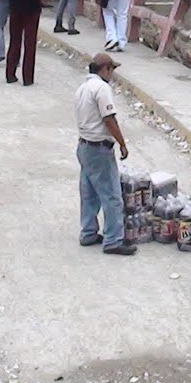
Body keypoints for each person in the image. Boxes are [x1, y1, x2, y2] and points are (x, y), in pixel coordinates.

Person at [74, 52, 135, 256]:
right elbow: (109, 119)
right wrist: (122, 143)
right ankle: (113, 239)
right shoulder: (102, 88)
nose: (112, 74)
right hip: (99, 148)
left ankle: (88, 232)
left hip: (84, 146)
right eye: (112, 70)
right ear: (105, 69)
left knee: (89, 193)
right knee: (112, 195)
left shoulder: (82, 88)